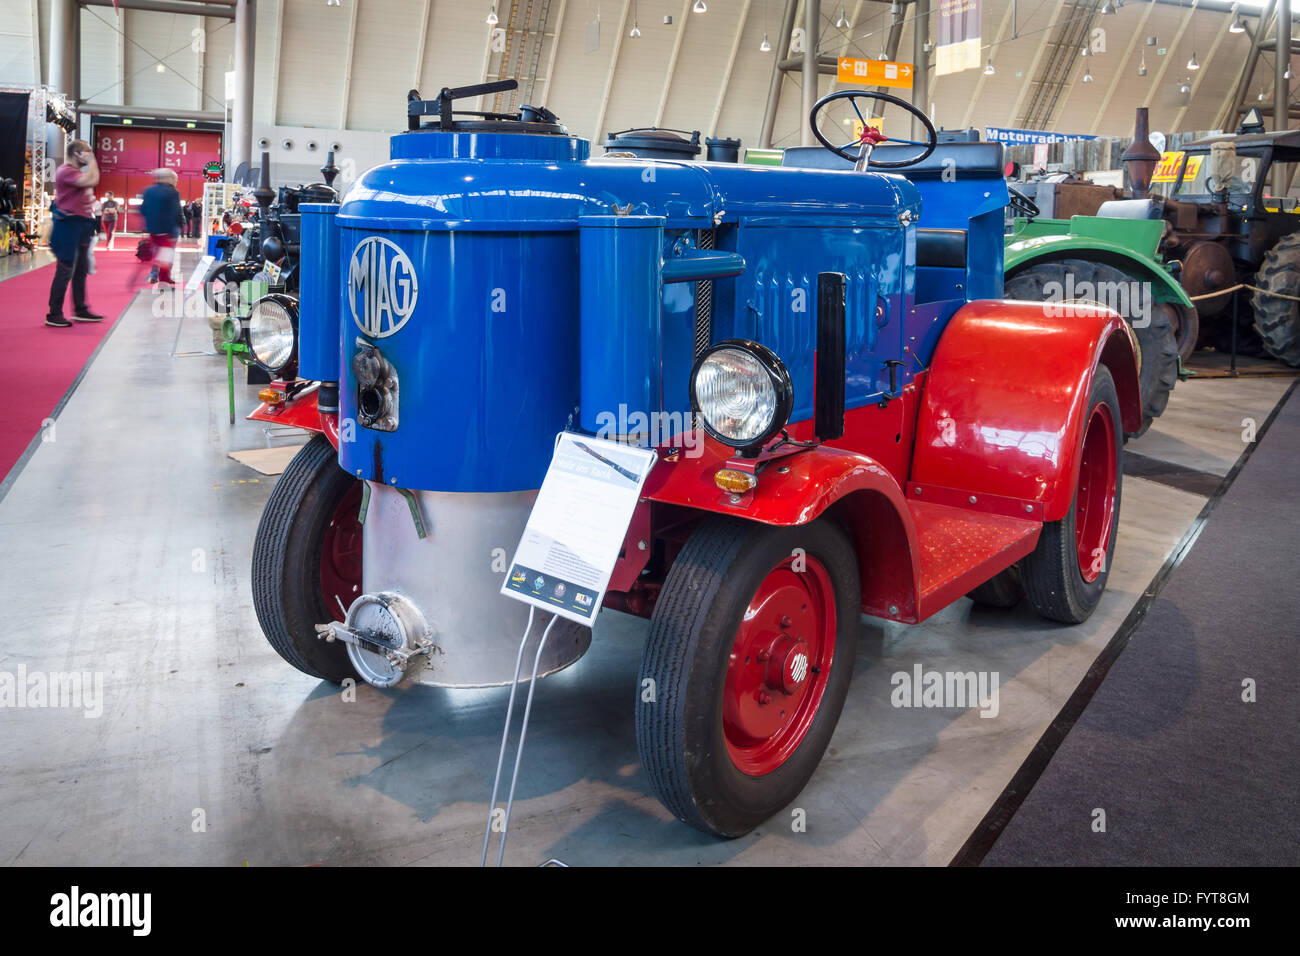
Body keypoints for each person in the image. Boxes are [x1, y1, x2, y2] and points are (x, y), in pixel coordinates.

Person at [46, 140, 104, 328]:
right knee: (65, 268)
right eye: (87, 151)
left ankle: (80, 309)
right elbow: (92, 180)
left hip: (80, 225)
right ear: (78, 153)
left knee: (80, 269)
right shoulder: (66, 171)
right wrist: (93, 159)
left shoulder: (75, 172)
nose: (89, 154)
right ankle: (54, 313)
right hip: (67, 226)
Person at [140, 168, 183, 285]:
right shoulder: (172, 192)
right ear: (168, 179)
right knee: (166, 257)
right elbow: (175, 212)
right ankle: (164, 282)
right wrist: (175, 232)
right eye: (175, 179)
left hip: (153, 229)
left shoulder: (148, 190)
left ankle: (154, 275)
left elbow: (142, 209)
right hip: (167, 231)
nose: (176, 181)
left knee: (157, 253)